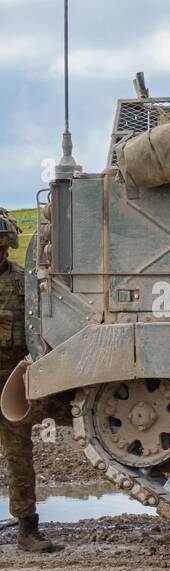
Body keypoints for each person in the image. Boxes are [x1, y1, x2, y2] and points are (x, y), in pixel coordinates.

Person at [0, 209, 61, 553]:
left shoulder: (21, 283)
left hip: (9, 383)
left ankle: (26, 528)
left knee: (19, 457)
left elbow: (35, 332)